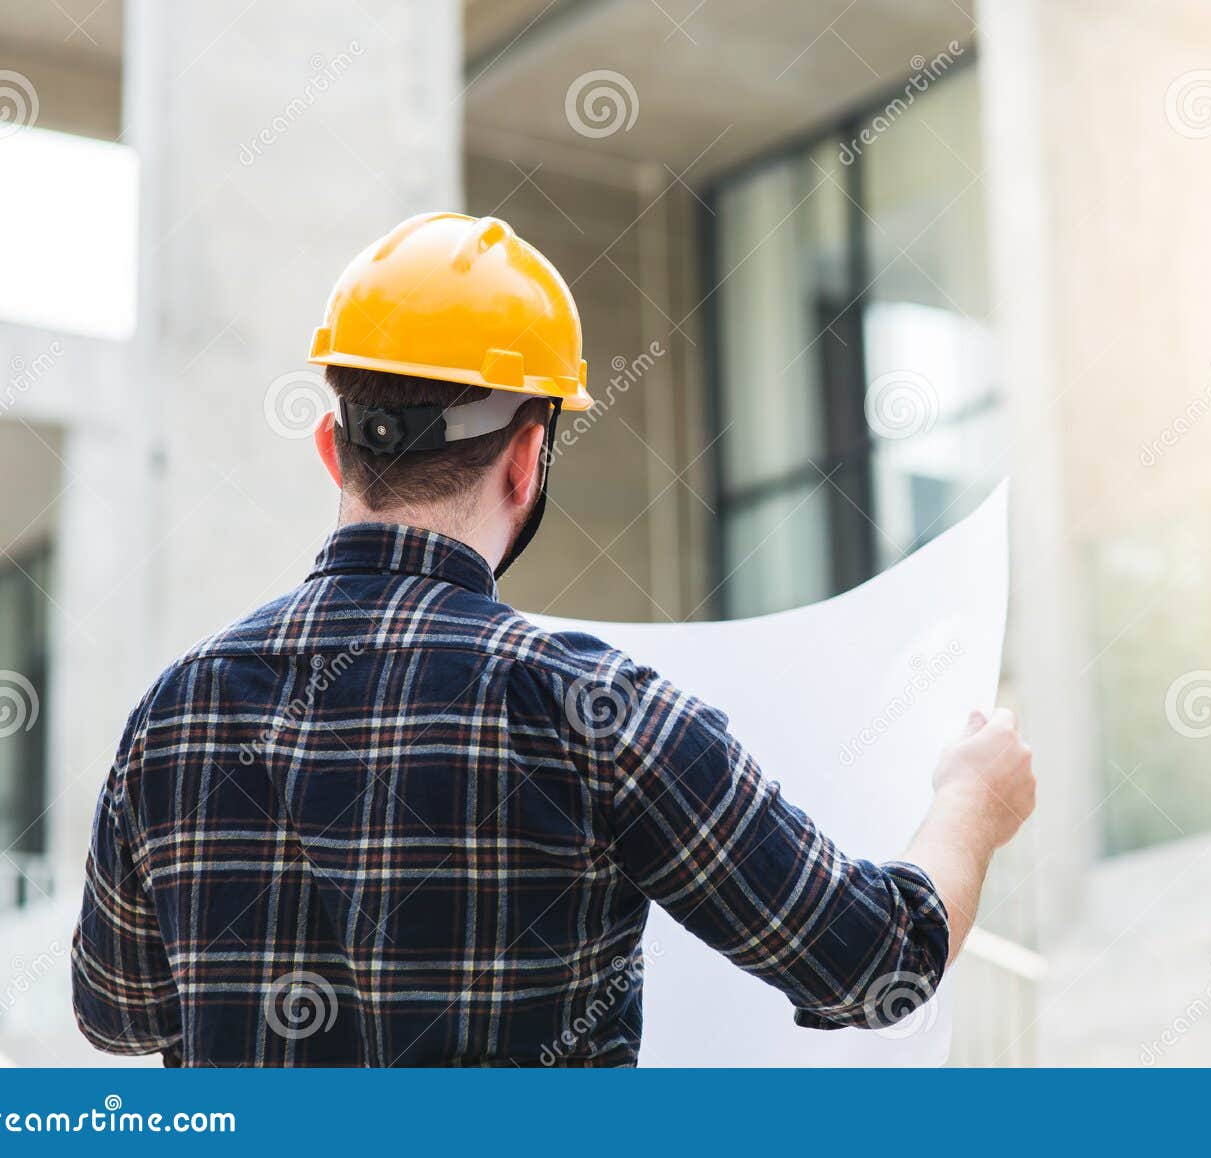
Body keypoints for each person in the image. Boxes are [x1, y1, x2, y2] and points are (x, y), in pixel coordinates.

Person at [71, 213, 1035, 1066]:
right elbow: (876, 965)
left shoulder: (177, 711)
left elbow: (114, 1013)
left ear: (335, 445)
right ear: (529, 458)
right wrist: (971, 803)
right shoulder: (597, 713)